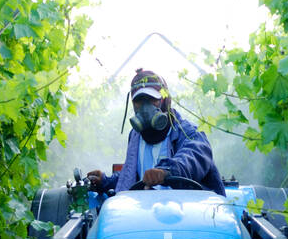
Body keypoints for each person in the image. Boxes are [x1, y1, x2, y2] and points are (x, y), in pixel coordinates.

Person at [87, 69, 225, 196]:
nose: (145, 107)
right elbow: (133, 176)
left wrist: (166, 171)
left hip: (186, 212)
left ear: (165, 100)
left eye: (152, 99)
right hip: (146, 213)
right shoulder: (135, 136)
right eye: (139, 101)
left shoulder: (189, 131)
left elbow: (194, 156)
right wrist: (105, 181)